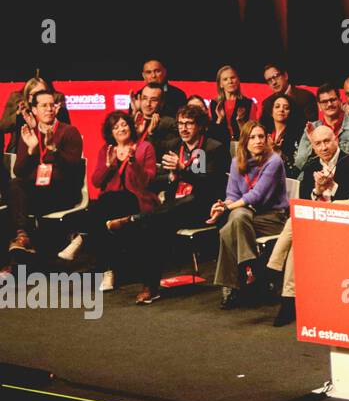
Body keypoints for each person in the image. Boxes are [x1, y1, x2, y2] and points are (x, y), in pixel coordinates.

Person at [265, 120, 349, 327]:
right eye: (318, 144)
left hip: (341, 222)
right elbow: (304, 202)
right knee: (297, 229)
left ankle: (274, 274)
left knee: (295, 228)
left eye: (327, 141)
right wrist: (317, 191)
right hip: (314, 222)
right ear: (312, 147)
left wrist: (332, 186)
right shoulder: (311, 166)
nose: (324, 147)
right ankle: (287, 298)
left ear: (336, 140)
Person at [133, 105, 230, 305]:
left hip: (204, 207)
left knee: (159, 215)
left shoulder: (213, 148)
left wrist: (182, 170)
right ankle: (150, 286)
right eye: (180, 124)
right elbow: (156, 176)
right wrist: (170, 177)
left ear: (200, 126)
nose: (183, 128)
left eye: (189, 124)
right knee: (152, 226)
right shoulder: (175, 145)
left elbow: (210, 184)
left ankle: (135, 219)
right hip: (175, 207)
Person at [56, 111, 159, 292]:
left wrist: (133, 162)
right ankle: (108, 270)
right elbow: (96, 181)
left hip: (137, 200)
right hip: (111, 204)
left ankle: (82, 239)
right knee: (102, 211)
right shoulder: (107, 150)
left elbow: (147, 182)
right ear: (111, 132)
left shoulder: (145, 147)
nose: (121, 129)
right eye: (116, 127)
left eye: (124, 125)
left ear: (131, 127)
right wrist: (108, 166)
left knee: (105, 204)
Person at [208, 121, 289, 309]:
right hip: (248, 215)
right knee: (238, 218)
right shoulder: (236, 162)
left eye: (261, 136)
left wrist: (227, 209)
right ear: (244, 141)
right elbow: (232, 195)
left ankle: (231, 286)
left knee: (229, 228)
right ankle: (254, 267)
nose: (258, 141)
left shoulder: (274, 161)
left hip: (273, 217)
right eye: (252, 137)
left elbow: (256, 196)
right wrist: (222, 205)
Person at [5, 89, 84, 256]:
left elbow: (73, 168)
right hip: (36, 192)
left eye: (52, 105)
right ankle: (23, 238)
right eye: (44, 105)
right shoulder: (29, 133)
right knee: (14, 185)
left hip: (62, 191)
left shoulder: (69, 131)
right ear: (34, 110)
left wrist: (54, 150)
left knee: (16, 208)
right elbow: (19, 171)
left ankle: (27, 243)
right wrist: (31, 150)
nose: (49, 109)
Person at [291, 84, 349, 173]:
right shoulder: (311, 128)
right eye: (324, 102)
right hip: (313, 177)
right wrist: (313, 142)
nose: (329, 104)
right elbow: (300, 163)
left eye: (333, 100)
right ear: (319, 106)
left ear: (340, 101)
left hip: (343, 178)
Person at [2, 77, 70, 153]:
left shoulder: (55, 111)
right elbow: (4, 127)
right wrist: (17, 115)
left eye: (42, 93)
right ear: (28, 97)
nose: (39, 97)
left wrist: (53, 118)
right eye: (35, 94)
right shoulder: (22, 112)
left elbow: (67, 135)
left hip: (49, 151)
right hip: (20, 151)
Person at [263, 92, 307, 179]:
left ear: (291, 112)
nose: (281, 110)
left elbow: (297, 167)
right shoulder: (264, 132)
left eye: (286, 108)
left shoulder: (298, 135)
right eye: (277, 106)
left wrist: (280, 154)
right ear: (271, 111)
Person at [210, 65, 256, 143]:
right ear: (221, 84)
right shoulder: (214, 104)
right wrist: (219, 119)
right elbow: (212, 133)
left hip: (242, 144)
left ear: (238, 80)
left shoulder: (248, 103)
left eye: (232, 78)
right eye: (225, 79)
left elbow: (253, 132)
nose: (230, 81)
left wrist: (240, 122)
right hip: (220, 144)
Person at [133, 82, 180, 158]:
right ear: (140, 99)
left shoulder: (169, 124)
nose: (148, 104)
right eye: (145, 98)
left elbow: (161, 154)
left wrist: (151, 134)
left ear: (162, 103)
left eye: (153, 100)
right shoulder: (132, 121)